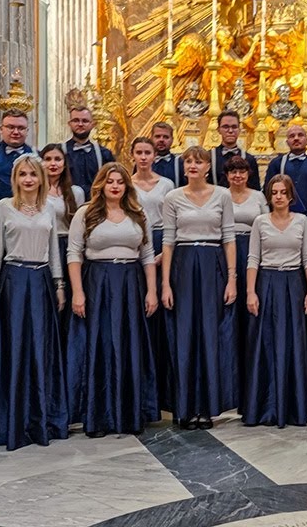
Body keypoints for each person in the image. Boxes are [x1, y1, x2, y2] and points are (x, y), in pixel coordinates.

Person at [0, 154, 68, 450]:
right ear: (15, 179)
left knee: (40, 349)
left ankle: (39, 418)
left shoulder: (49, 209)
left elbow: (54, 250)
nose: (28, 179)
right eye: (23, 175)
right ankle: (11, 421)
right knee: (15, 348)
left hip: (41, 278)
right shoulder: (5, 207)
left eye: (33, 174)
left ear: (41, 179)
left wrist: (59, 284)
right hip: (14, 280)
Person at [67, 163, 159, 437]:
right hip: (98, 282)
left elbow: (147, 254)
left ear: (127, 187)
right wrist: (77, 292)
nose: (115, 186)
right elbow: (74, 254)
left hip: (131, 283)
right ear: (101, 185)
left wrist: (151, 290)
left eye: (120, 181)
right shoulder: (86, 213)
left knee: (129, 344)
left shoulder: (137, 214)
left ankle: (128, 414)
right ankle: (99, 415)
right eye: (110, 181)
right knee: (101, 344)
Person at [161, 146, 239, 430]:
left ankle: (206, 407)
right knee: (184, 335)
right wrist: (166, 283)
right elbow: (168, 240)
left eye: (199, 161)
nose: (193, 165)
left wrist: (231, 278)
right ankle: (184, 407)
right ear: (184, 168)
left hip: (211, 264)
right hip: (182, 264)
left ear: (208, 167)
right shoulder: (172, 197)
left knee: (209, 334)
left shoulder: (222, 195)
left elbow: (228, 237)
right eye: (189, 161)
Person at [243, 175, 307, 427]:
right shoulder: (260, 222)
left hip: (294, 284)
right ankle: (266, 405)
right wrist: (251, 292)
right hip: (267, 283)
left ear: (290, 195)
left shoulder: (302, 221)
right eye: (274, 192)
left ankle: (295, 406)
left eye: (283, 192)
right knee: (266, 343)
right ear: (269, 196)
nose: (278, 196)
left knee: (294, 343)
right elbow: (253, 258)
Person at [130, 136, 177, 411]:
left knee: (164, 310)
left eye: (148, 152)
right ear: (133, 155)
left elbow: (173, 221)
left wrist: (165, 253)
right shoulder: (127, 183)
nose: (144, 157)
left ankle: (165, 385)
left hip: (162, 241)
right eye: (139, 152)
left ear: (154, 156)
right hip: (136, 243)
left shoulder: (167, 185)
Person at [225, 155, 268, 413]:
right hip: (228, 252)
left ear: (249, 174)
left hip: (253, 255)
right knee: (230, 315)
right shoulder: (219, 195)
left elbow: (265, 226)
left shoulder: (258, 197)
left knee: (252, 314)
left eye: (241, 171)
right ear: (226, 175)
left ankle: (253, 378)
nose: (237, 176)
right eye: (233, 172)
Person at [41, 143, 85, 362]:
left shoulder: (75, 192)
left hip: (69, 246)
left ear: (64, 163)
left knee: (70, 301)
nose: (52, 164)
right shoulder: (36, 190)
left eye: (57, 159)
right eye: (48, 159)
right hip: (45, 248)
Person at [264, 123, 307, 256]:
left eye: (300, 135)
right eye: (292, 136)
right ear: (287, 141)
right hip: (280, 223)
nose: (296, 138)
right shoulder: (276, 164)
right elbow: (267, 192)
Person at [62, 106, 114, 199]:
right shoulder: (60, 152)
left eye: (85, 121)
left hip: (96, 207)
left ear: (92, 124)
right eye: (76, 120)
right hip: (68, 206)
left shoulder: (104, 154)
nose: (80, 124)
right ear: (69, 124)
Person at [209, 110, 260, 190]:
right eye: (225, 127)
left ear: (239, 130)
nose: (230, 131)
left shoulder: (249, 159)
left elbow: (255, 190)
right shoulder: (209, 158)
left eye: (234, 127)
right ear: (218, 130)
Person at [150, 121, 186, 187]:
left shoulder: (180, 163)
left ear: (172, 140)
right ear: (151, 138)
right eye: (157, 136)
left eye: (166, 137)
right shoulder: (144, 163)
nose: (161, 140)